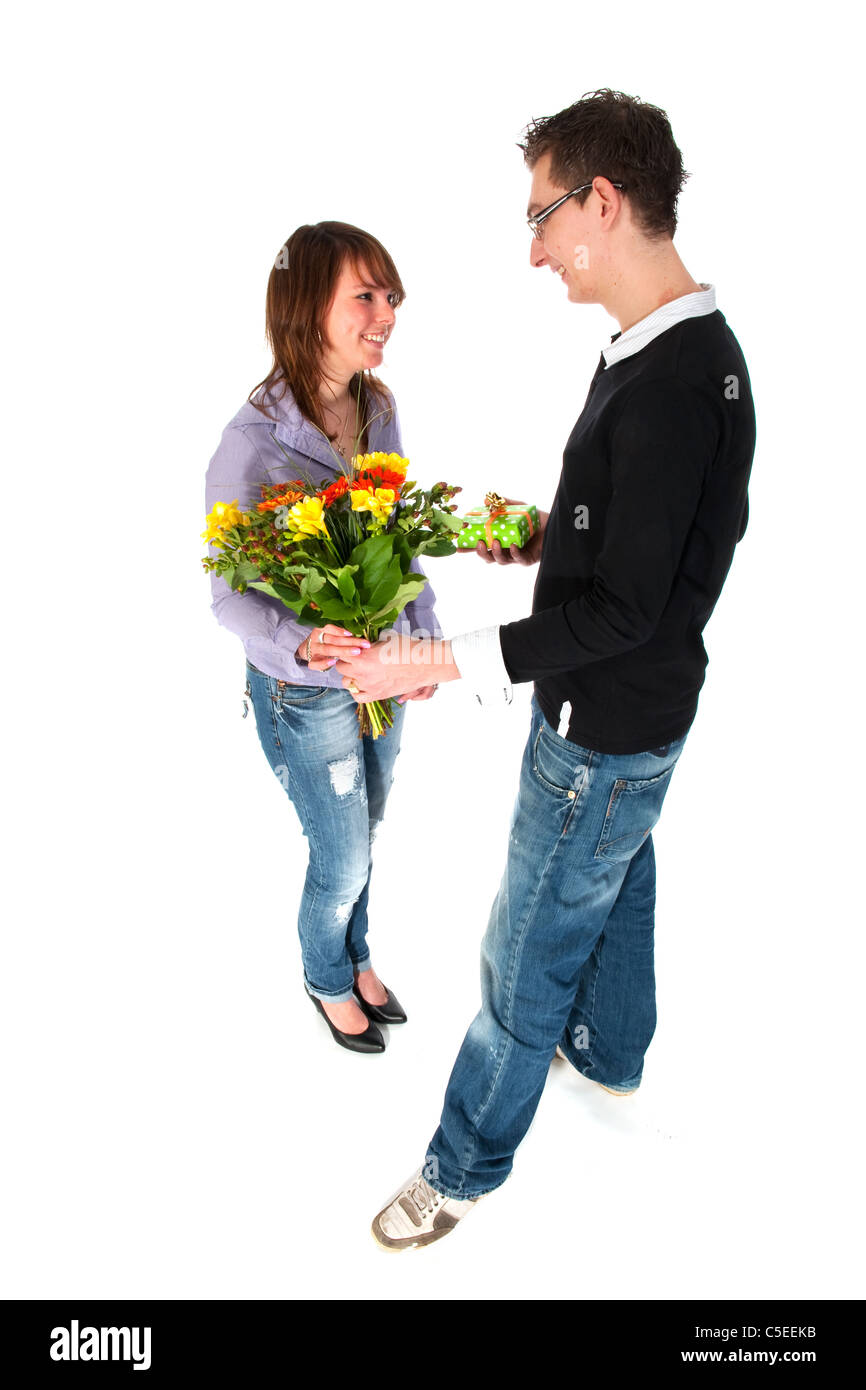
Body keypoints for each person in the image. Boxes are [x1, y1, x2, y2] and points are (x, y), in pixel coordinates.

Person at [334, 90, 757, 1243]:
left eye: (541, 217)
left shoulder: (670, 382)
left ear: (602, 201)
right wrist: (556, 530)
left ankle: (459, 1170)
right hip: (647, 717)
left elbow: (621, 608)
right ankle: (610, 1053)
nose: (533, 251)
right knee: (615, 866)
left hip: (598, 723)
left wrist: (435, 659)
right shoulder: (675, 349)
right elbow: (647, 550)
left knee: (523, 957)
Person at [204, 221, 440, 1055]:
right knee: (339, 854)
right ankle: (327, 975)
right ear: (308, 308)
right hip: (305, 690)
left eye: (392, 297)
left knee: (367, 827)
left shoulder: (377, 406)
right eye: (366, 296)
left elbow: (400, 532)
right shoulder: (253, 443)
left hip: (380, 672)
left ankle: (358, 952)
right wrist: (301, 645)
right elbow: (226, 595)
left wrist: (424, 642)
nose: (388, 314)